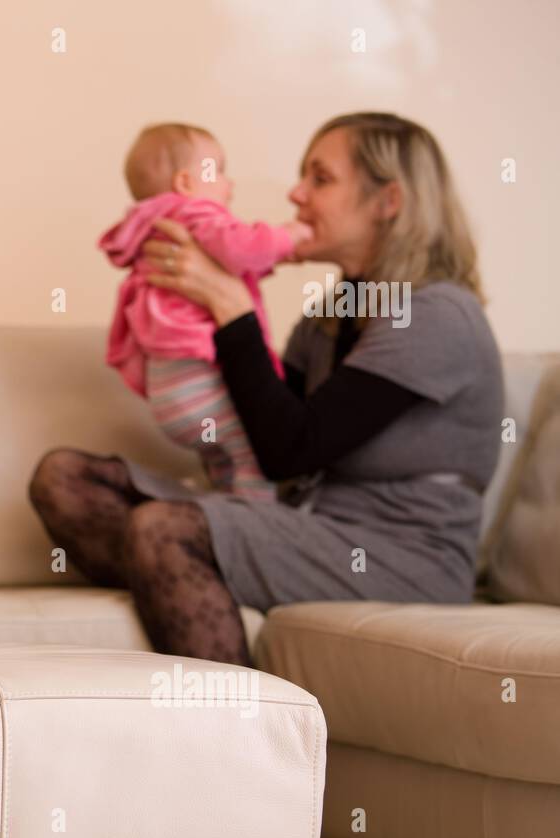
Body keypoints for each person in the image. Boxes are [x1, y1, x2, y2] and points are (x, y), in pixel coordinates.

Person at [29, 112, 504, 667]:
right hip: (304, 520)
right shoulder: (330, 317)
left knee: (160, 529)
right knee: (65, 480)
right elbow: (265, 426)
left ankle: (239, 738)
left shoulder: (434, 316)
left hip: (404, 554)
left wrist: (230, 306)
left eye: (320, 179)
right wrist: (183, 324)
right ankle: (195, 577)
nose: (296, 193)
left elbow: (289, 450)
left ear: (388, 201)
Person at [98, 122, 312, 500]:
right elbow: (240, 248)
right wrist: (286, 239)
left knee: (221, 456)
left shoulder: (153, 226)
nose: (230, 183)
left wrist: (270, 263)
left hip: (169, 395)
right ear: (185, 182)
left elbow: (222, 264)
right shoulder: (195, 212)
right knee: (249, 448)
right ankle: (255, 521)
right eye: (220, 170)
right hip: (201, 384)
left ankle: (217, 510)